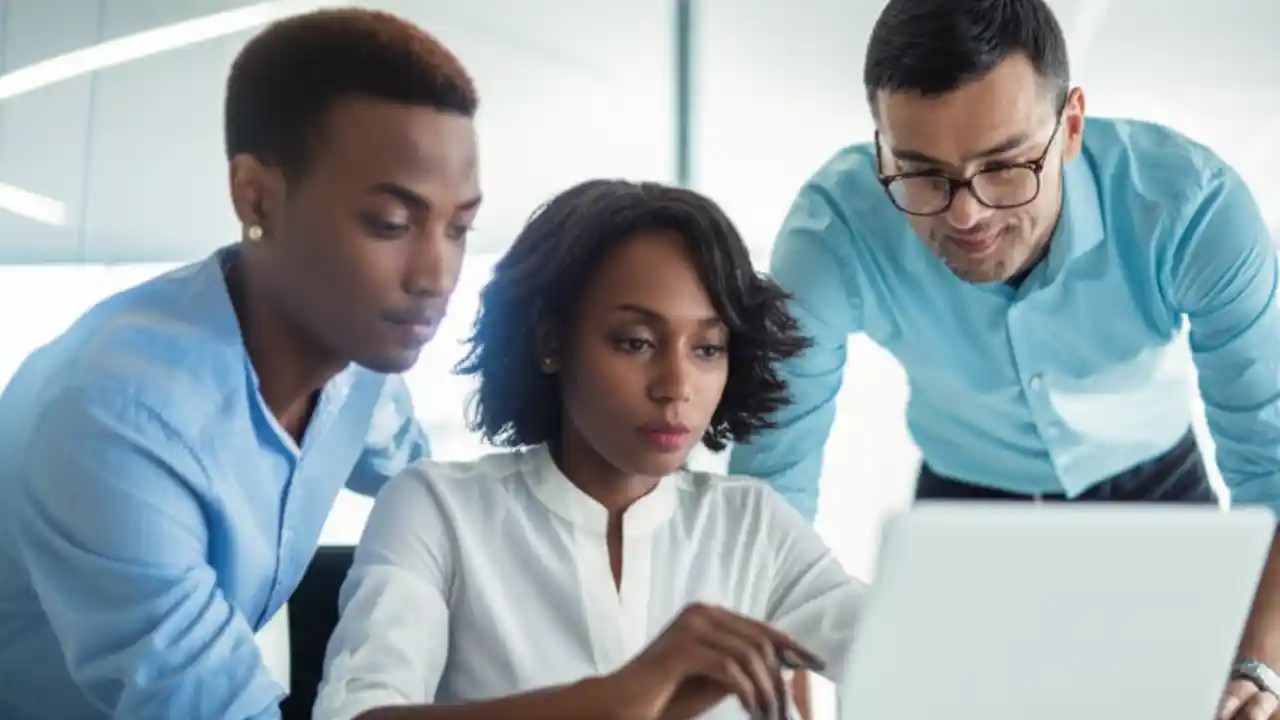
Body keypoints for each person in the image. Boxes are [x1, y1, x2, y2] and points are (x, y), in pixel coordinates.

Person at [728, 0, 1280, 717]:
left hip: (1160, 496)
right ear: (881, 150)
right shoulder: (834, 228)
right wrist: (774, 641)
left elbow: (1273, 466)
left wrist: (1261, 664)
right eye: (922, 174)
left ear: (1070, 128)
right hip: (963, 512)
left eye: (1005, 165)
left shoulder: (1191, 207)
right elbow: (774, 482)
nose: (967, 216)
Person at [0, 9, 482, 719]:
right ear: (258, 198)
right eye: (390, 224)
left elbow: (431, 489)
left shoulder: (361, 365)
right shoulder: (111, 420)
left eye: (460, 227)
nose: (436, 276)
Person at [312, 180, 865, 720]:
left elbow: (897, 651)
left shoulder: (752, 524)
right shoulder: (439, 510)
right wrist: (615, 699)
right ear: (551, 342)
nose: (676, 386)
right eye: (636, 342)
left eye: (707, 348)